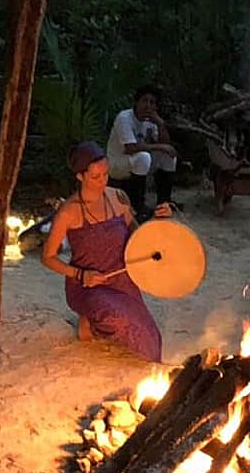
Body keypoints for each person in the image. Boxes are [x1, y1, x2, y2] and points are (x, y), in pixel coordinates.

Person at [42, 141, 172, 362]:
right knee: (119, 319)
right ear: (80, 177)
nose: (103, 181)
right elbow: (48, 258)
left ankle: (94, 323)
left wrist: (156, 220)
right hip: (88, 286)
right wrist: (81, 274)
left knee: (151, 341)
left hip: (121, 280)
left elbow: (136, 236)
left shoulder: (118, 198)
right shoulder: (69, 212)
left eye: (105, 174)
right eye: (95, 176)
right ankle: (90, 323)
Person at [106, 84, 179, 220]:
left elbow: (165, 144)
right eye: (144, 101)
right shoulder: (125, 118)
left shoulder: (151, 121)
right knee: (143, 157)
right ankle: (138, 205)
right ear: (136, 102)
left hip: (137, 163)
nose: (148, 106)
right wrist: (160, 147)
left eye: (152, 102)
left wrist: (160, 123)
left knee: (168, 156)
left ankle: (164, 202)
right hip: (118, 164)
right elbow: (130, 148)